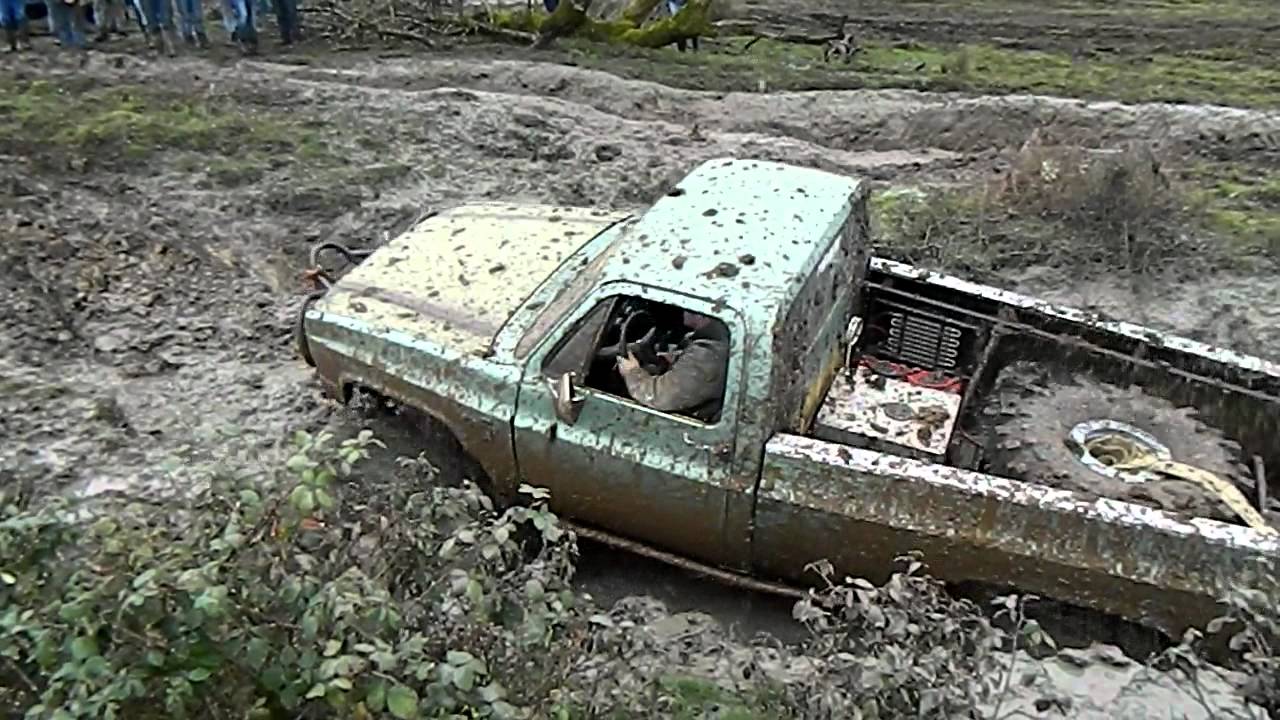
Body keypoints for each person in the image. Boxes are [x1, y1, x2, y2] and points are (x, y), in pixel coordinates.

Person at [615, 310, 729, 420]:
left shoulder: (709, 353)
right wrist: (669, 359)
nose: (683, 311)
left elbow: (659, 396)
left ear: (701, 315)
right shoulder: (716, 340)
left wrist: (632, 373)